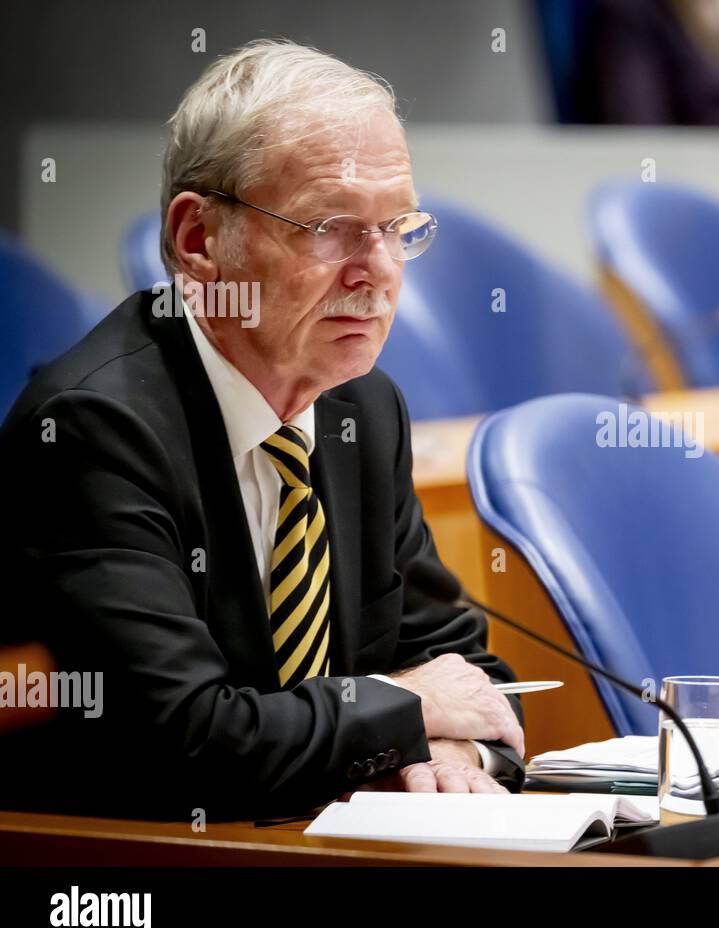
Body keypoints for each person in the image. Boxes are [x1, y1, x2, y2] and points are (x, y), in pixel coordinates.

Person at [0, 40, 525, 820]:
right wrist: (406, 711)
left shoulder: (360, 411)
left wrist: (454, 750)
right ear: (198, 240)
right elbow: (189, 741)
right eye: (328, 227)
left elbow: (467, 675)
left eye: (397, 227)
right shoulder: (94, 429)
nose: (376, 269)